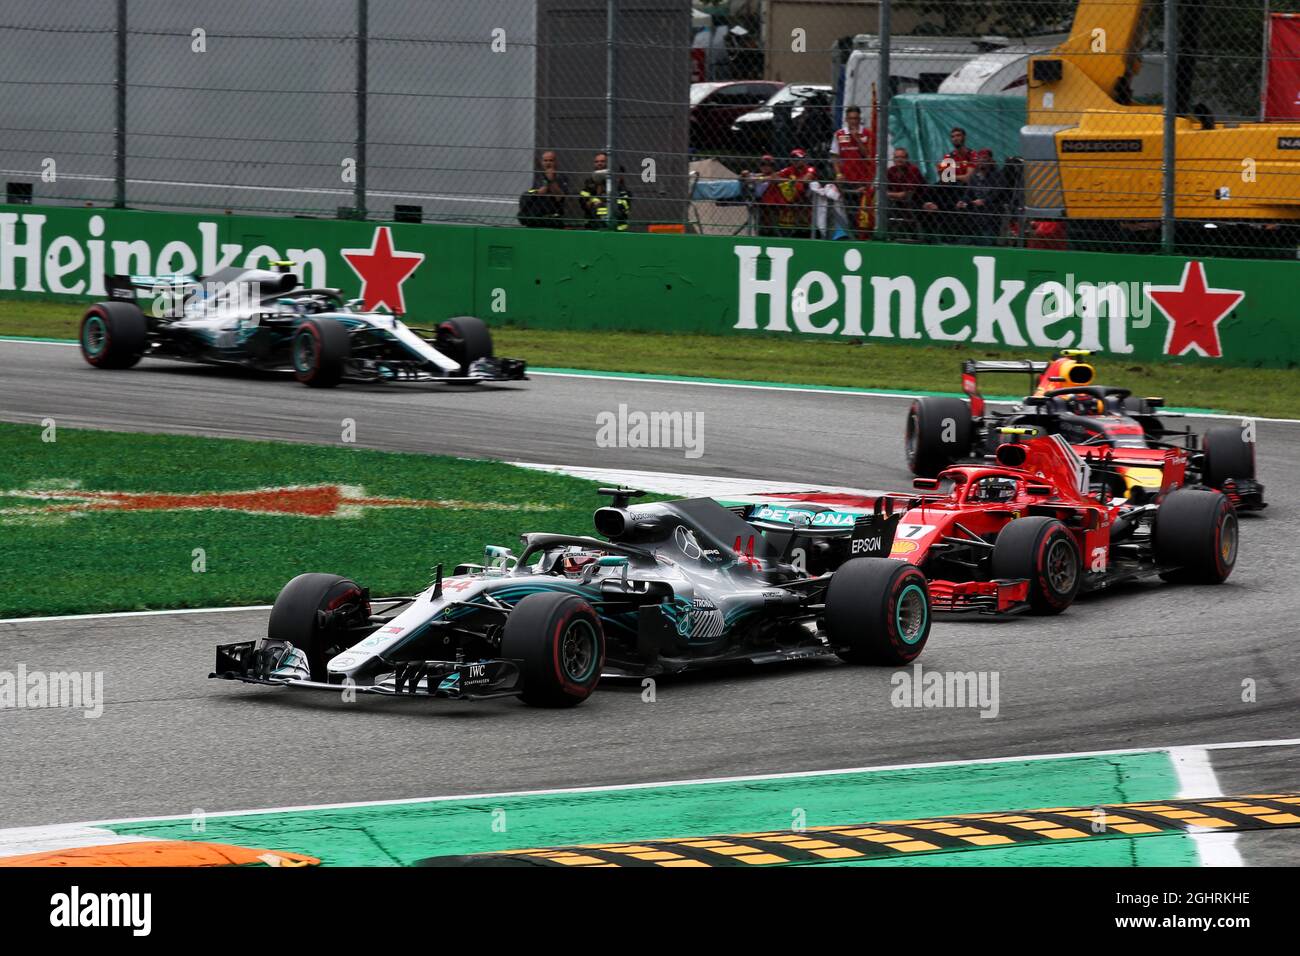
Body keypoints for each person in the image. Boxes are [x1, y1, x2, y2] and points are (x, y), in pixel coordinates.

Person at [830, 106, 875, 237]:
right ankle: (846, 235)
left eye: (855, 118)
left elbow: (868, 155)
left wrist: (857, 139)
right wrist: (838, 173)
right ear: (846, 119)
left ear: (859, 119)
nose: (853, 121)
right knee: (847, 211)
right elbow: (835, 156)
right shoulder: (839, 134)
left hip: (863, 180)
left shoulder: (867, 134)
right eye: (850, 119)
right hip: (846, 181)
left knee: (862, 213)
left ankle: (862, 237)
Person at [954, 150, 1005, 244]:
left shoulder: (998, 175)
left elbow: (997, 193)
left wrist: (984, 201)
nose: (981, 161)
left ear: (990, 160)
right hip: (975, 211)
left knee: (986, 240)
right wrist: (962, 201)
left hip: (991, 211)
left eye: (984, 158)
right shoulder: (974, 176)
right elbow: (968, 192)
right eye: (979, 158)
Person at [579, 152, 631, 230]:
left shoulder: (617, 182)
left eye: (602, 161)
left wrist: (601, 202)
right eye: (597, 162)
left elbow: (623, 207)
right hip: (593, 226)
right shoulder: (589, 183)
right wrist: (598, 192)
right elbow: (584, 203)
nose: (599, 164)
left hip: (616, 228)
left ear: (609, 163)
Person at [518, 150, 570, 228]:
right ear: (542, 162)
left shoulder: (561, 177)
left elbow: (559, 197)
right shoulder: (538, 176)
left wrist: (551, 181)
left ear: (555, 162)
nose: (548, 163)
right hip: (538, 208)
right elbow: (538, 192)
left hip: (552, 210)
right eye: (545, 160)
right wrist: (546, 183)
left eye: (551, 160)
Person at [885, 147, 925, 235]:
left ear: (907, 159)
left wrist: (888, 194)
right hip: (896, 202)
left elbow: (906, 194)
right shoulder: (891, 171)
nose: (899, 160)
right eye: (896, 157)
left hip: (915, 202)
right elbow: (883, 190)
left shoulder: (913, 170)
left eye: (902, 157)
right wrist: (893, 195)